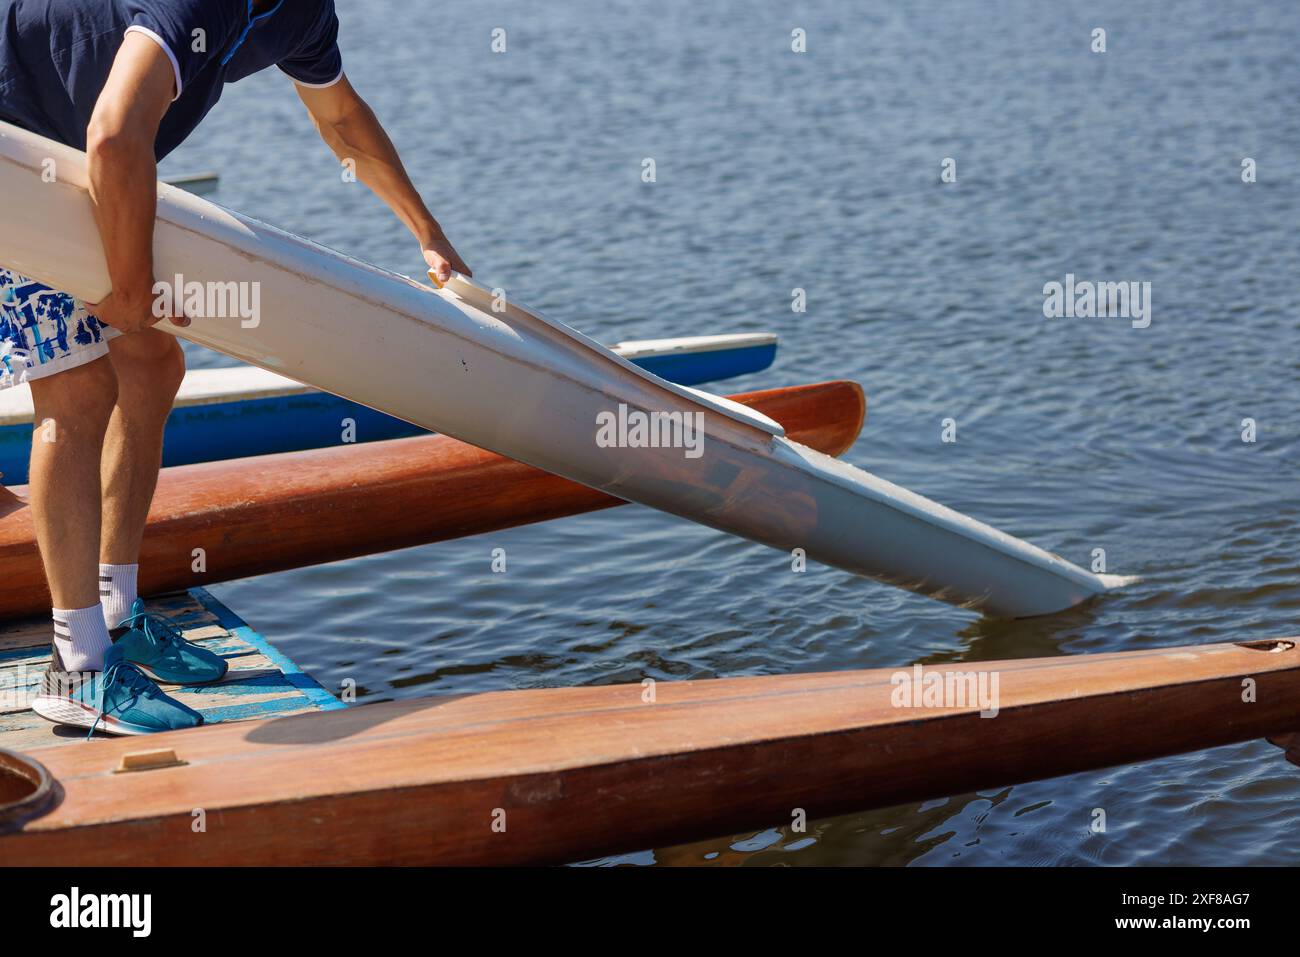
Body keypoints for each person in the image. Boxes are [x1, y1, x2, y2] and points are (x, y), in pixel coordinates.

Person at [0, 0, 470, 734]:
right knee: (79, 385)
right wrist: (129, 292)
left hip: (61, 151)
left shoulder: (305, 15)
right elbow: (116, 135)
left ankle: (116, 612)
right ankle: (78, 669)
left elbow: (342, 118)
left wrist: (428, 232)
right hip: (12, 144)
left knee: (151, 363)